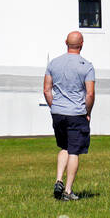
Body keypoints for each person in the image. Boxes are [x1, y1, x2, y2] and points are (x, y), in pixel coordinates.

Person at [44, 31, 95, 201]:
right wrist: (87, 112)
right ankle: (67, 190)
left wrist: (54, 106)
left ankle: (58, 179)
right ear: (82, 44)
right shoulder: (86, 66)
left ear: (66, 42)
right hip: (76, 113)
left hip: (58, 112)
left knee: (64, 147)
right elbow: (90, 94)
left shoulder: (53, 63)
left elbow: (46, 89)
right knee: (74, 151)